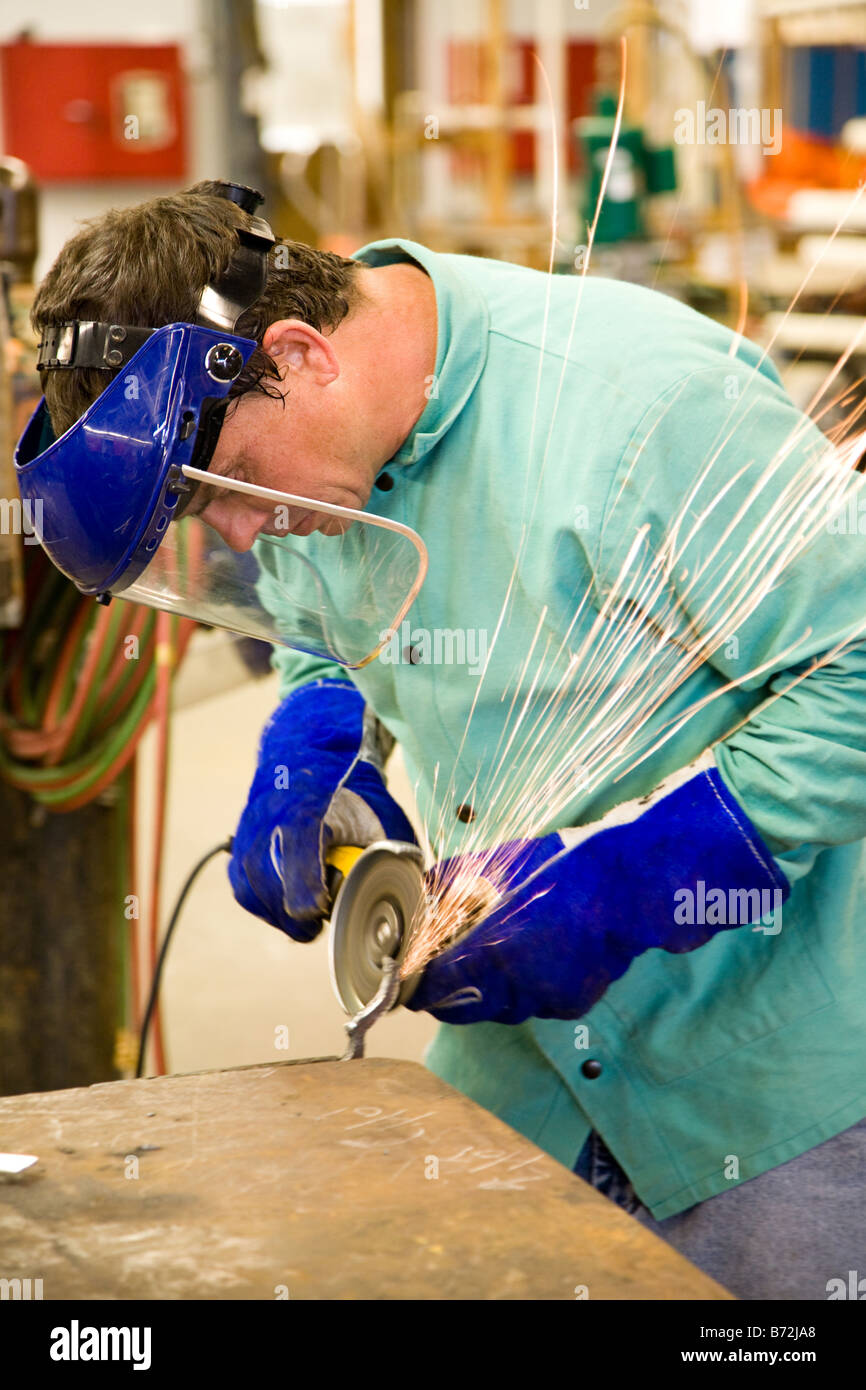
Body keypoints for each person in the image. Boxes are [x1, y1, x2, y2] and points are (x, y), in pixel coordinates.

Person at [19, 182, 866, 1300]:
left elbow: (849, 662)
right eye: (199, 513)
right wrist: (321, 740)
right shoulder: (308, 459)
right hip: (515, 1076)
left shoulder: (640, 406)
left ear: (298, 353)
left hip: (763, 1095)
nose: (237, 528)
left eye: (231, 490)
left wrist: (642, 877)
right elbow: (324, 633)